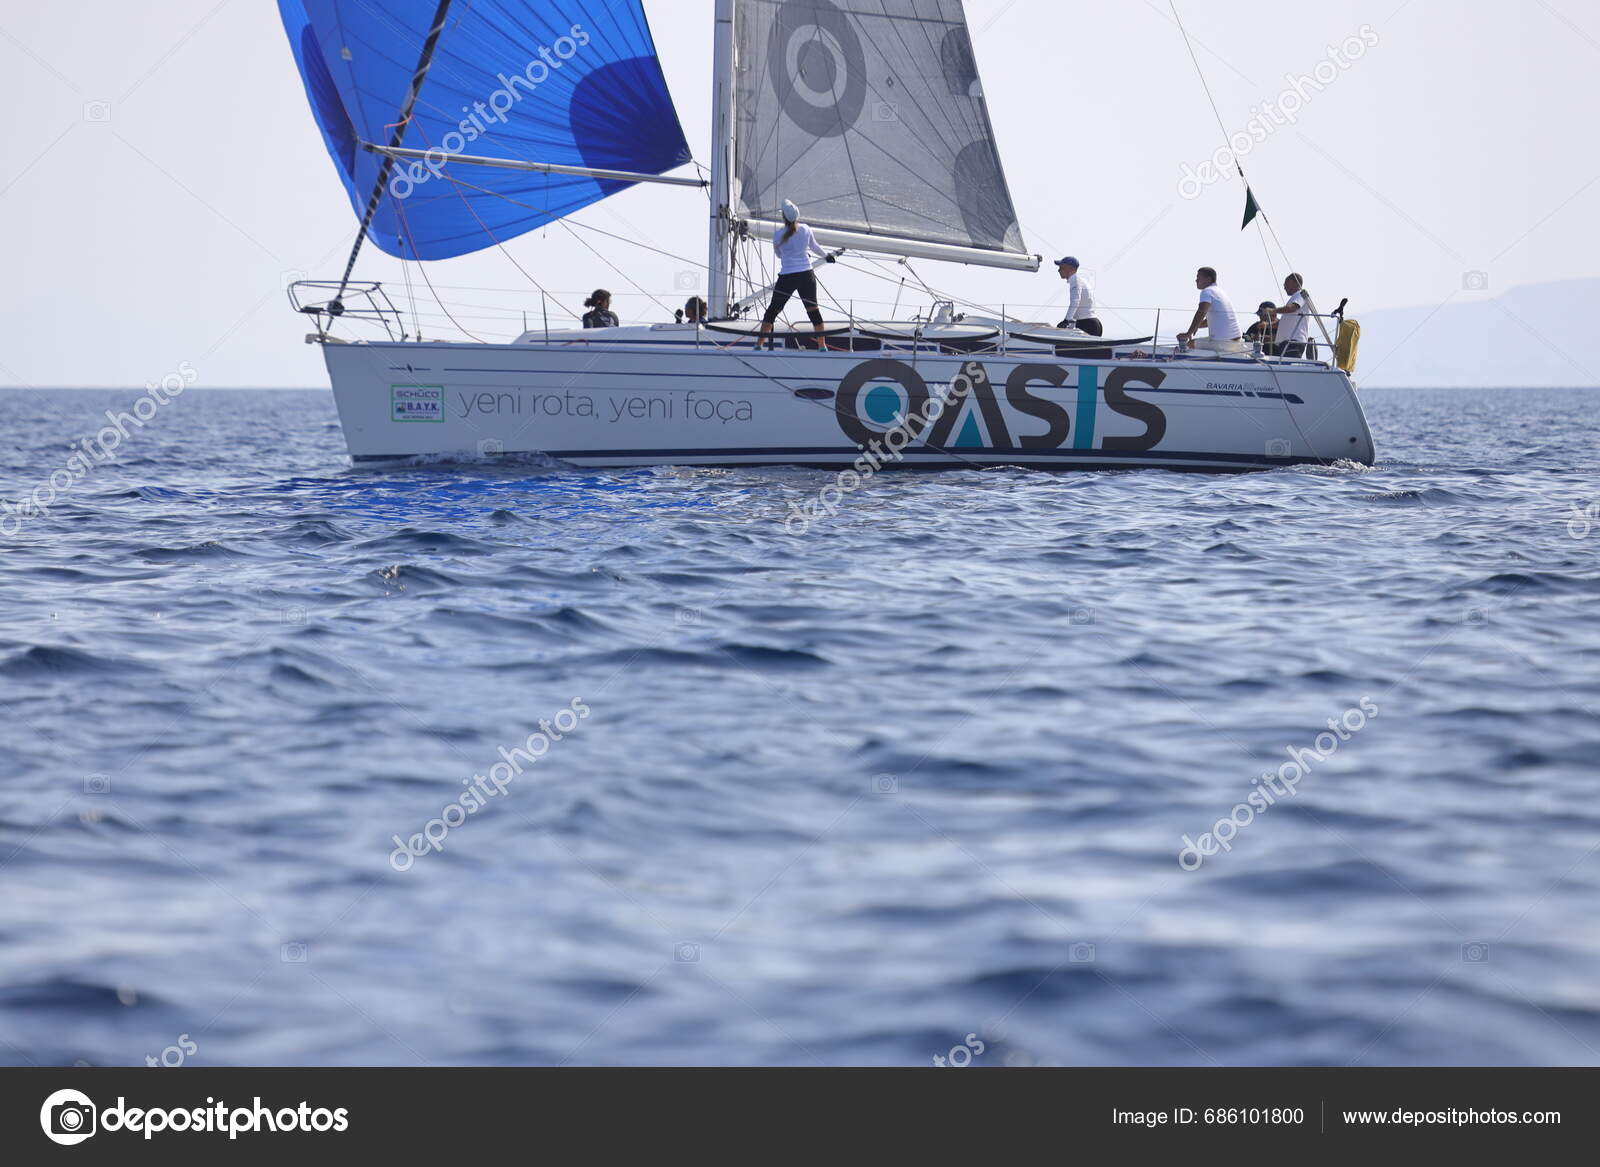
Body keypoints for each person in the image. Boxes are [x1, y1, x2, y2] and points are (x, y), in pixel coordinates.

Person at [761, 199, 833, 348]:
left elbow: (779, 255)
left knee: (773, 311)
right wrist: (827, 256)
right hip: (806, 275)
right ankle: (822, 346)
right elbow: (814, 246)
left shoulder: (778, 235)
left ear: (783, 217)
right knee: (813, 311)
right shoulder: (806, 229)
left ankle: (758, 344)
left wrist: (790, 253)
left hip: (788, 277)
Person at [1176, 267, 1243, 352]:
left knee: (1190, 344)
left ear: (1208, 279)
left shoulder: (1207, 291)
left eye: (1198, 277)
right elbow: (1212, 320)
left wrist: (1189, 333)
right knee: (1194, 343)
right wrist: (1196, 326)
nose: (1196, 280)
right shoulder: (1219, 291)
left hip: (1222, 342)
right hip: (1236, 340)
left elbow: (1201, 311)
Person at [1054, 256, 1102, 336]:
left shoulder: (1075, 281)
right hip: (1092, 323)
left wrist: (1066, 320)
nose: (1058, 270)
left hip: (1087, 324)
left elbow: (1075, 301)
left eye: (1061, 267)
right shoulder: (1081, 281)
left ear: (1069, 268)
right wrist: (1070, 324)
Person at [1271, 272, 1310, 357]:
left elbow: (1292, 308)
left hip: (1294, 342)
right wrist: (1268, 325)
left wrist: (1273, 311)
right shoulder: (1294, 298)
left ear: (1294, 282)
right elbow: (1287, 320)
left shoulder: (1301, 294)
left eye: (1286, 283)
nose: (1284, 287)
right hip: (1285, 343)